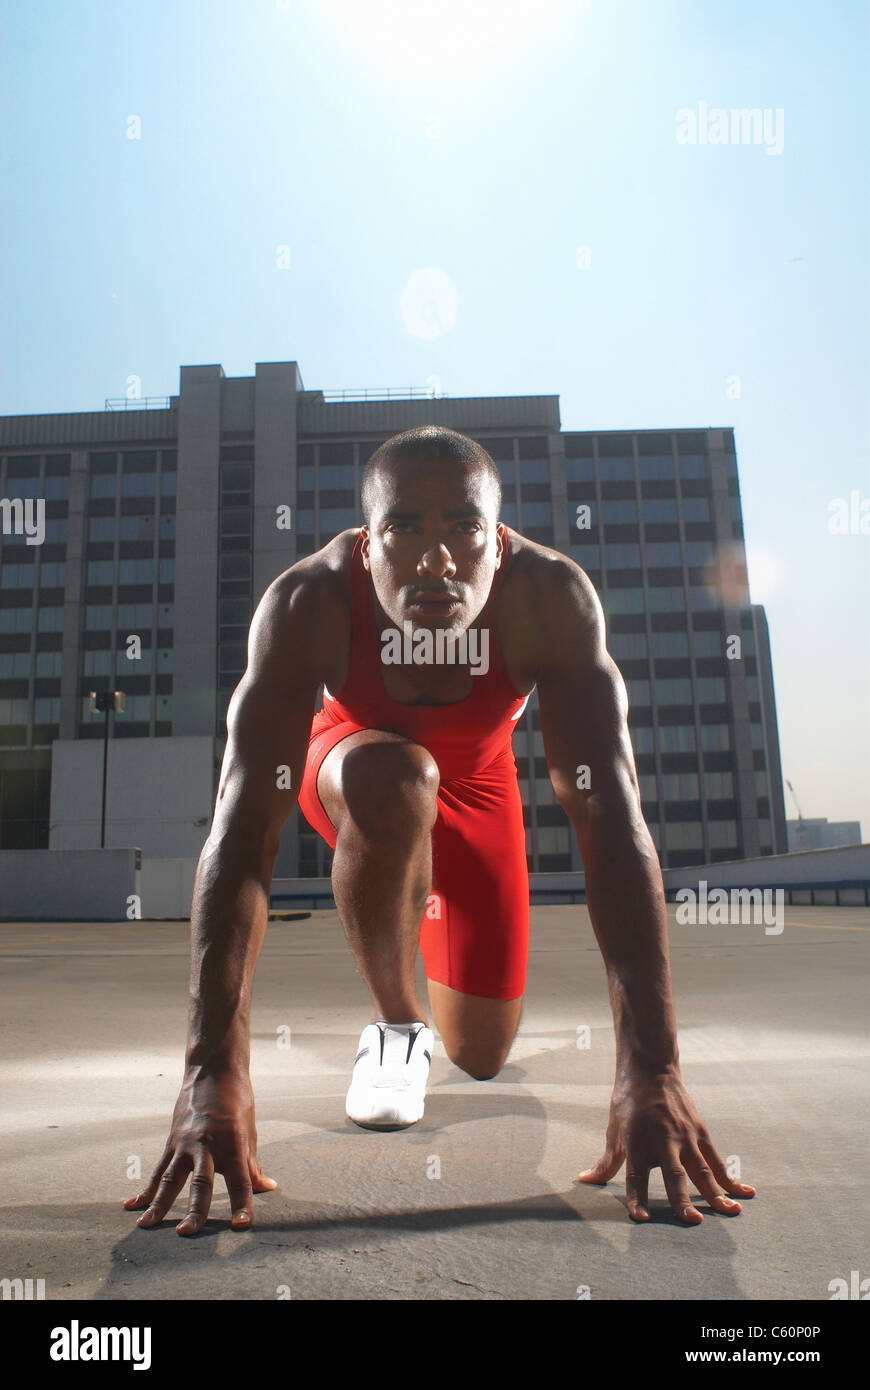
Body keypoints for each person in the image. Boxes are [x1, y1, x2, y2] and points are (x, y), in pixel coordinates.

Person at [125, 425, 756, 1236]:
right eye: (405, 529)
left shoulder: (551, 597)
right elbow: (242, 834)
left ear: (498, 541)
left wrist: (653, 1066)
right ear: (365, 543)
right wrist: (211, 1070)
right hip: (356, 768)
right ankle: (395, 1023)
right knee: (400, 780)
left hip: (484, 787)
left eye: (462, 527)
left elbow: (609, 813)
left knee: (484, 1055)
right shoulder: (306, 603)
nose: (437, 559)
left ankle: (419, 915)